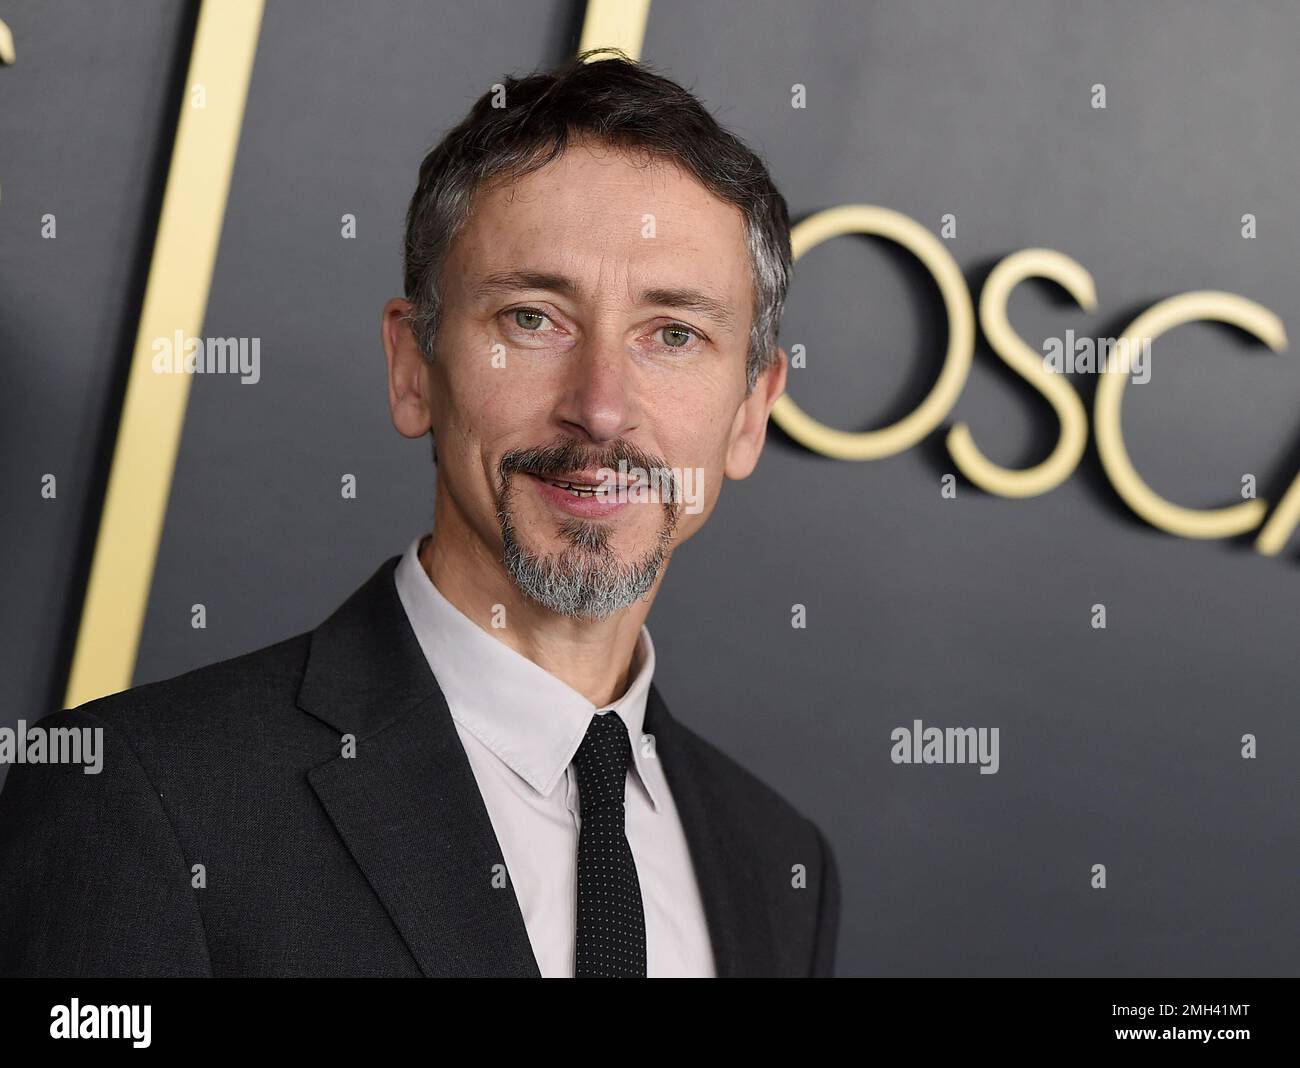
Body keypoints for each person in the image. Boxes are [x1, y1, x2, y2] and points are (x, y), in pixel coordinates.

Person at [0, 48, 838, 978]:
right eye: (533, 318)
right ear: (412, 369)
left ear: (751, 411)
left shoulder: (780, 867)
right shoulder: (140, 801)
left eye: (673, 334)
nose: (601, 407)